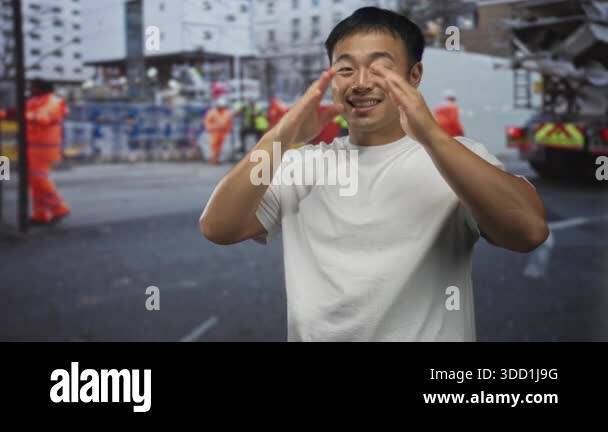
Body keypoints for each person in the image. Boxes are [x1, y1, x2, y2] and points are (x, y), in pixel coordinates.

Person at [200, 7, 549, 342]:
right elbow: (218, 227)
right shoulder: (299, 164)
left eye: (381, 68)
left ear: (414, 76)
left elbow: (528, 232)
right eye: (346, 70)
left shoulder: (459, 159)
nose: (362, 83)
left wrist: (431, 136)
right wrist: (280, 137)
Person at [26, 79, 71, 225]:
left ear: (41, 88)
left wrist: (18, 115)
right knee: (34, 181)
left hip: (44, 147)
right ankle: (41, 214)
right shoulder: (34, 100)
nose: (30, 89)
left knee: (39, 179)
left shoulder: (54, 101)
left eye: (33, 86)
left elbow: (42, 118)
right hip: (31, 145)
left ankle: (59, 208)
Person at [204, 97, 233, 165]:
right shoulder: (212, 112)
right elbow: (207, 122)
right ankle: (214, 159)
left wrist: (229, 129)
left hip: (224, 132)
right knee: (213, 145)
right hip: (214, 132)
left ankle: (218, 159)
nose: (221, 107)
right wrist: (210, 128)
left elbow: (229, 122)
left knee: (222, 147)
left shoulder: (227, 113)